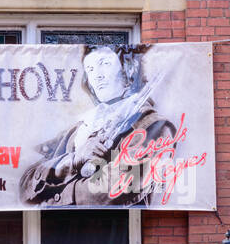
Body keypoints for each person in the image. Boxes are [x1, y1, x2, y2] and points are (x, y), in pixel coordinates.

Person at [20, 45, 175, 207]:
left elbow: (108, 192)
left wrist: (50, 199)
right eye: (90, 69)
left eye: (105, 64)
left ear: (128, 69)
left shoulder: (153, 125)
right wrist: (74, 160)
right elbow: (26, 186)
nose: (97, 76)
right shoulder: (76, 131)